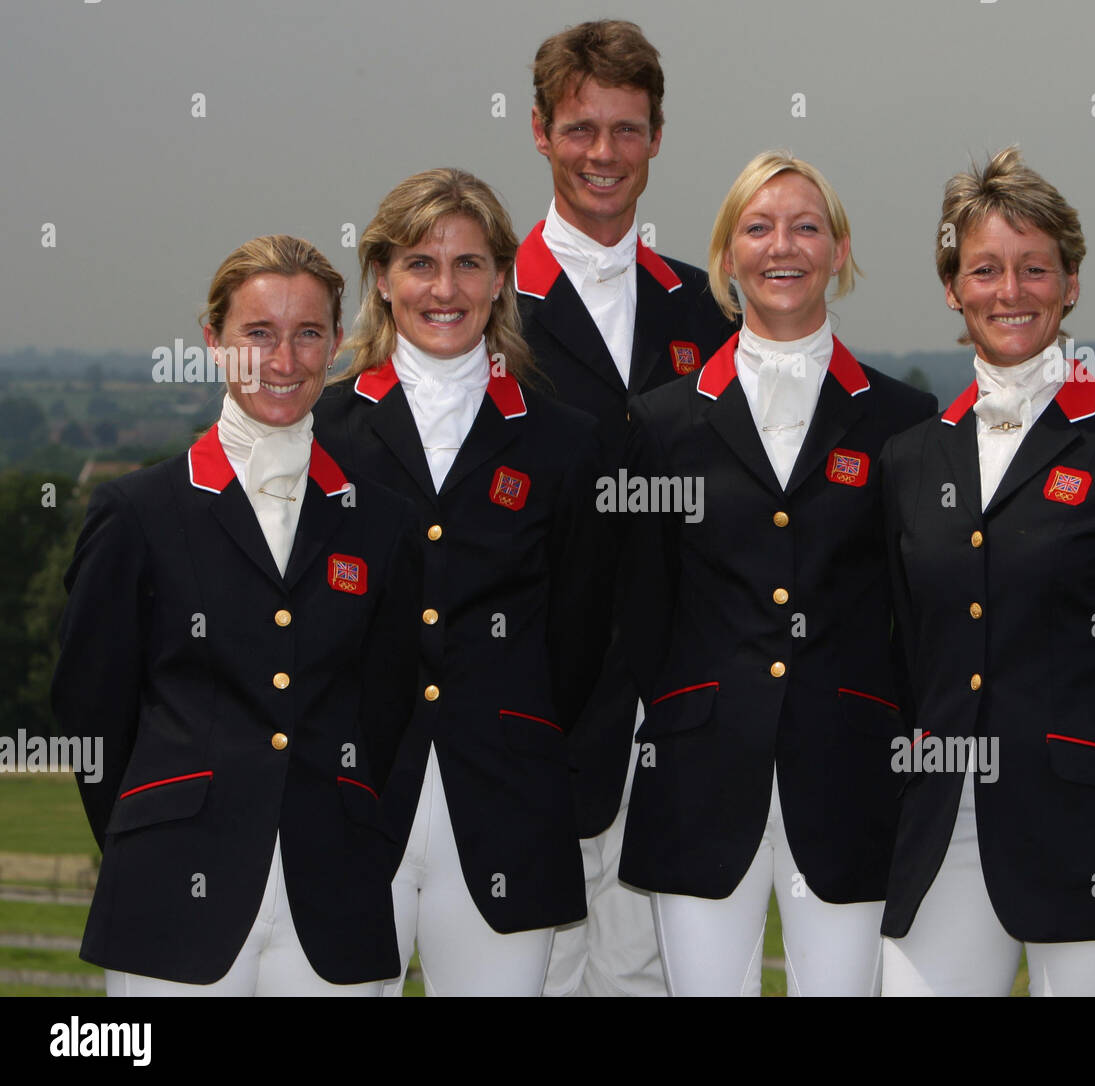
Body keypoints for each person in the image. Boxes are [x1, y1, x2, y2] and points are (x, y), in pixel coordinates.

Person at [878, 147, 1095, 996]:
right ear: (953, 288)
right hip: (940, 829)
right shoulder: (909, 458)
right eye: (985, 269)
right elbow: (905, 650)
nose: (1010, 291)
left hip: (1094, 829)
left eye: (1035, 268)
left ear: (1070, 284)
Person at [53, 235, 421, 995]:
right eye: (258, 334)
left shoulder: (383, 521)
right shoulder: (137, 512)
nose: (283, 360)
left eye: (308, 333)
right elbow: (91, 707)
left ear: (338, 344)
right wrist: (154, 828)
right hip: (171, 889)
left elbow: (390, 705)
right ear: (214, 344)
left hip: (334, 893)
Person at [617, 151, 936, 996]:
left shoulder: (904, 421)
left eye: (805, 226)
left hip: (853, 770)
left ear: (838, 250)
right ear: (727, 256)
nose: (781, 245)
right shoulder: (659, 422)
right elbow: (640, 605)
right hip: (697, 772)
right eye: (757, 227)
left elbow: (921, 608)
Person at [314, 168, 612, 996]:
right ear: (381, 277)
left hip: (508, 802)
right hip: (351, 798)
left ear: (502, 279)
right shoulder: (322, 431)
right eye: (419, 263)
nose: (444, 289)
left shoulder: (563, 442)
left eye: (469, 265)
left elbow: (579, 638)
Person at [522, 18, 737, 999]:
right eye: (580, 129)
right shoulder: (473, 309)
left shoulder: (709, 312)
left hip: (674, 717)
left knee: (651, 980)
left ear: (656, 138)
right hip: (531, 711)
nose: (602, 153)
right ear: (539, 133)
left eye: (625, 129)